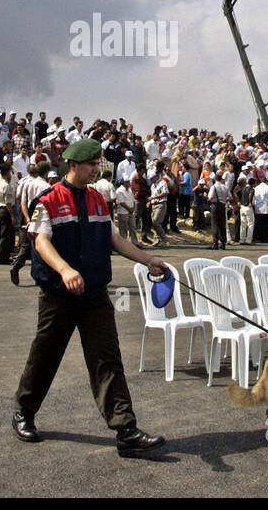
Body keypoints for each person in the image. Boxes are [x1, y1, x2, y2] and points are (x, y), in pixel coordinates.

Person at [11, 138, 167, 457]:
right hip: (59, 296)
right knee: (45, 355)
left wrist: (147, 259)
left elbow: (113, 238)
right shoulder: (49, 199)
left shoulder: (97, 198)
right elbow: (40, 241)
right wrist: (65, 270)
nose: (96, 169)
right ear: (73, 165)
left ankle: (125, 430)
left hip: (94, 294)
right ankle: (24, 412)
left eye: (98, 164)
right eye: (91, 165)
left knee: (107, 359)